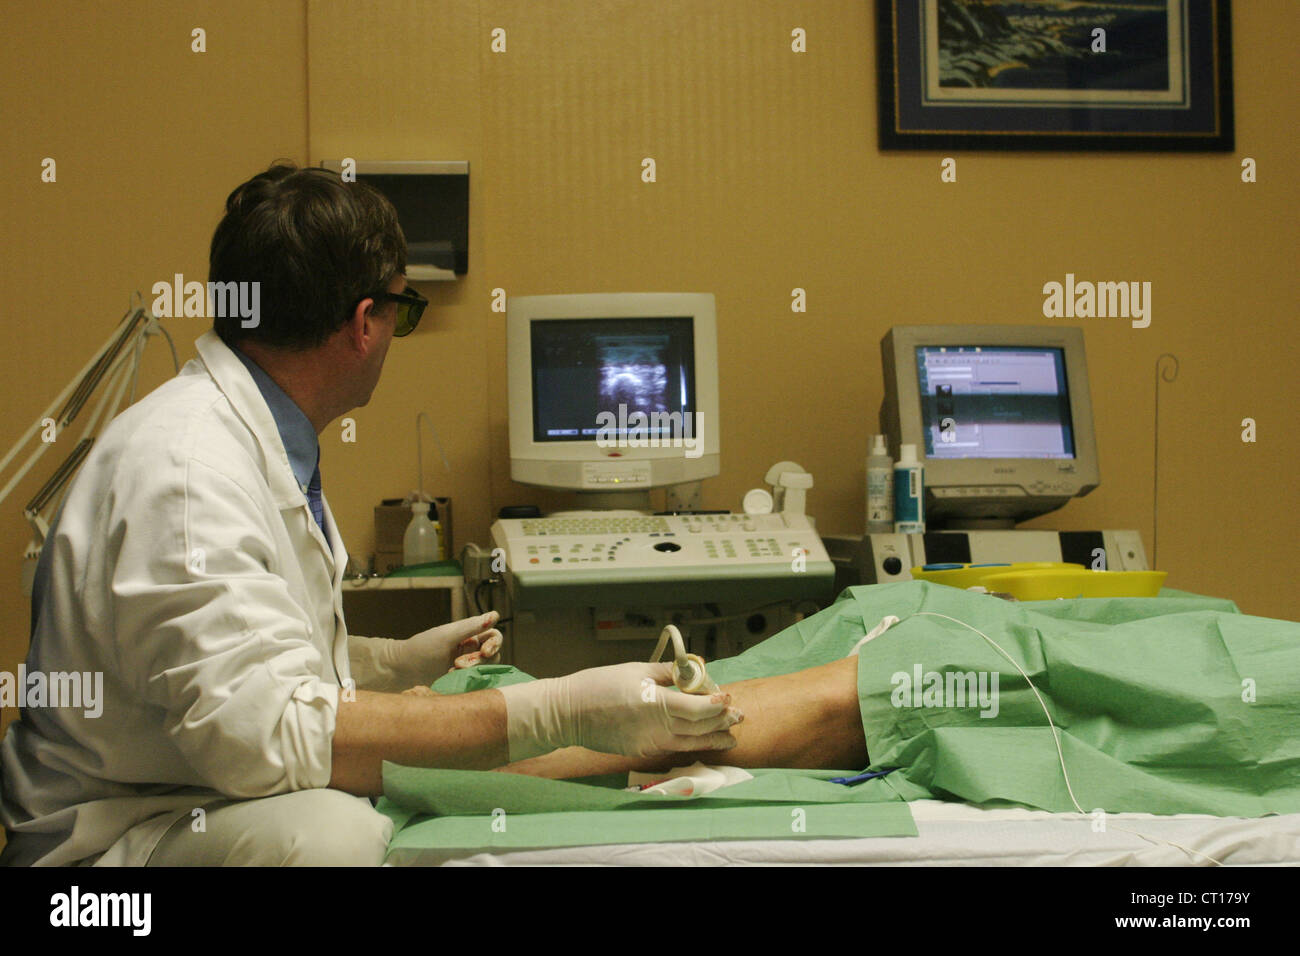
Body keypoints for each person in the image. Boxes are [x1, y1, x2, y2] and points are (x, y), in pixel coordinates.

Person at [0, 163, 740, 867]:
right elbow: (264, 738)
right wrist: (563, 710)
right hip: (104, 847)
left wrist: (389, 664)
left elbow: (226, 662)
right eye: (402, 311)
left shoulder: (250, 440)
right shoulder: (187, 474)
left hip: (181, 790)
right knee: (334, 836)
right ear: (364, 321)